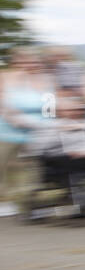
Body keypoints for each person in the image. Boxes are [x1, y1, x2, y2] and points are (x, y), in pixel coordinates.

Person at [0, 47, 54, 216]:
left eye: (32, 61)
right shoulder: (5, 77)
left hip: (37, 132)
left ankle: (28, 202)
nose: (28, 65)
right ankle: (4, 200)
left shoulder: (45, 80)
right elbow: (3, 103)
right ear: (15, 62)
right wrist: (14, 118)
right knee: (4, 166)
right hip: (9, 130)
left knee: (33, 168)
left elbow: (50, 107)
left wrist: (46, 123)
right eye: (23, 61)